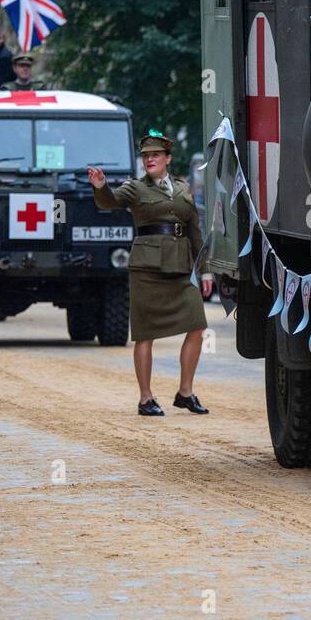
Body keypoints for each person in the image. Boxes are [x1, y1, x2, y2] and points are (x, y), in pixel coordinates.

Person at [89, 131, 214, 416]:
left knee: (197, 325)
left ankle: (185, 392)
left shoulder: (183, 188)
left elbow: (195, 232)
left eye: (156, 155)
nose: (150, 160)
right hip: (147, 268)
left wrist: (205, 272)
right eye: (146, 156)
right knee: (145, 335)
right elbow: (109, 201)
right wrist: (100, 186)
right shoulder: (135, 187)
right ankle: (146, 398)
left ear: (168, 158)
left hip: (180, 268)